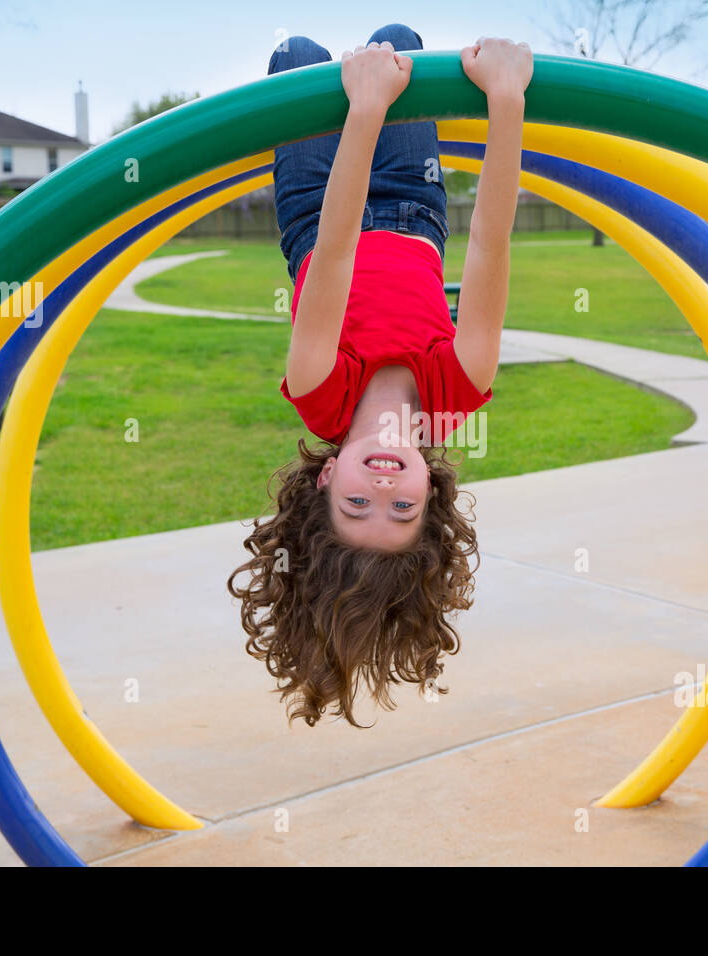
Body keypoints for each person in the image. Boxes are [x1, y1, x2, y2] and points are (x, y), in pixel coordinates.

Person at [229, 24, 532, 727]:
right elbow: (491, 243)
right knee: (398, 42)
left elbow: (333, 258)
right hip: (412, 204)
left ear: (327, 480)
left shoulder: (317, 393)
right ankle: (376, 80)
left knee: (297, 58)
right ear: (433, 491)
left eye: (359, 506)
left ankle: (351, 89)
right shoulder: (461, 389)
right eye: (403, 510)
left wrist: (366, 111)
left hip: (313, 210)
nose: (386, 489)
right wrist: (506, 100)